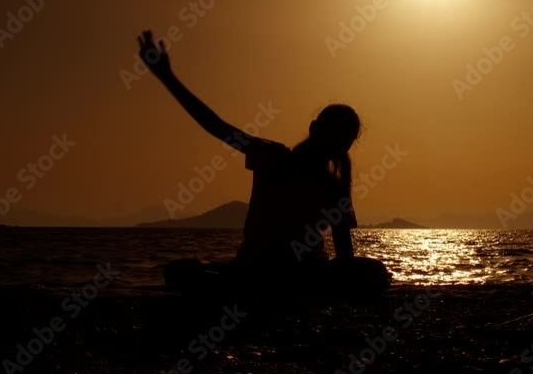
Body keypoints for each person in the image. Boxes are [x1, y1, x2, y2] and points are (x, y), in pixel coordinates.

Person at [136, 30, 390, 299]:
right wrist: (168, 78)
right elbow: (216, 126)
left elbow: (344, 258)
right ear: (315, 129)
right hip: (259, 271)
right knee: (181, 271)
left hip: (298, 275)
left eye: (342, 138)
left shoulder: (334, 187)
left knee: (372, 271)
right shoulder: (273, 155)